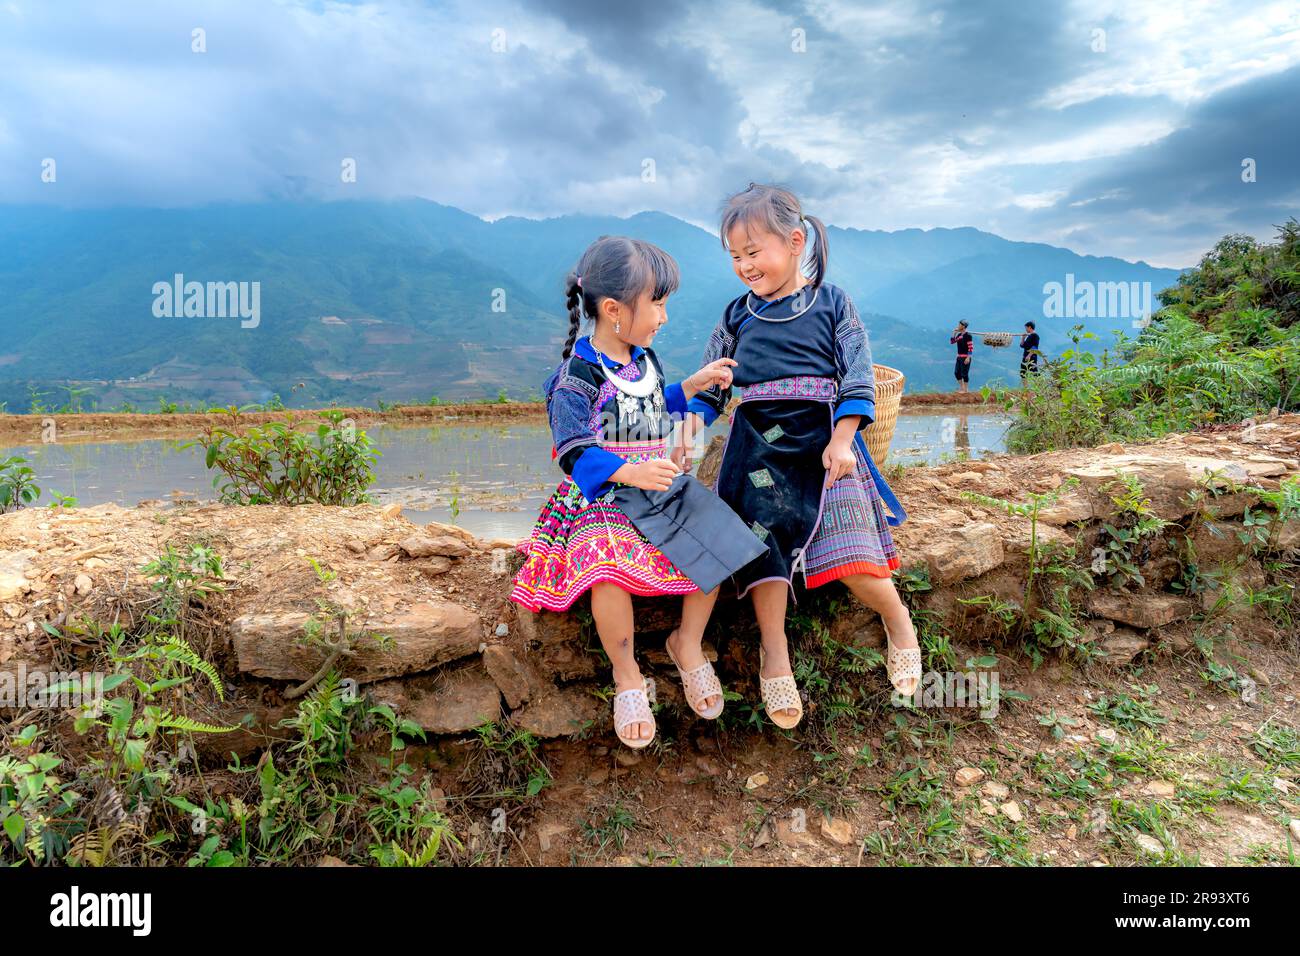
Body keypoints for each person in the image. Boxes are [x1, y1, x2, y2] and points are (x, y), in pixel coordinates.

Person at [675, 183, 920, 730]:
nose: (744, 266)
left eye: (753, 252)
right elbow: (715, 386)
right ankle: (775, 651)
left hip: (825, 440)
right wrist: (688, 431)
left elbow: (856, 376)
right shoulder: (736, 315)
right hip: (756, 441)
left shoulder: (833, 304)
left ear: (794, 240)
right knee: (762, 542)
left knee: (852, 548)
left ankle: (898, 620)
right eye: (735, 256)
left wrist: (842, 438)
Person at [509, 236, 764, 751]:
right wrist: (631, 472)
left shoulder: (646, 358)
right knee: (606, 569)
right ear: (613, 310)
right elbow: (574, 450)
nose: (664, 316)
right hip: (602, 496)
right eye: (658, 303)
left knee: (715, 541)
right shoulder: (576, 377)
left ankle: (687, 644)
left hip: (655, 487)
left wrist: (692, 386)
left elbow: (652, 406)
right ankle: (626, 675)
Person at [950, 320, 974, 392]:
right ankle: (962, 388)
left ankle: (965, 389)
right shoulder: (959, 335)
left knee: (964, 374)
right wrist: (954, 333)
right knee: (957, 373)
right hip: (959, 357)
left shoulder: (968, 336)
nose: (958, 326)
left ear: (963, 326)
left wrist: (968, 357)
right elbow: (952, 342)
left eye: (959, 325)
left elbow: (970, 347)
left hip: (965, 357)